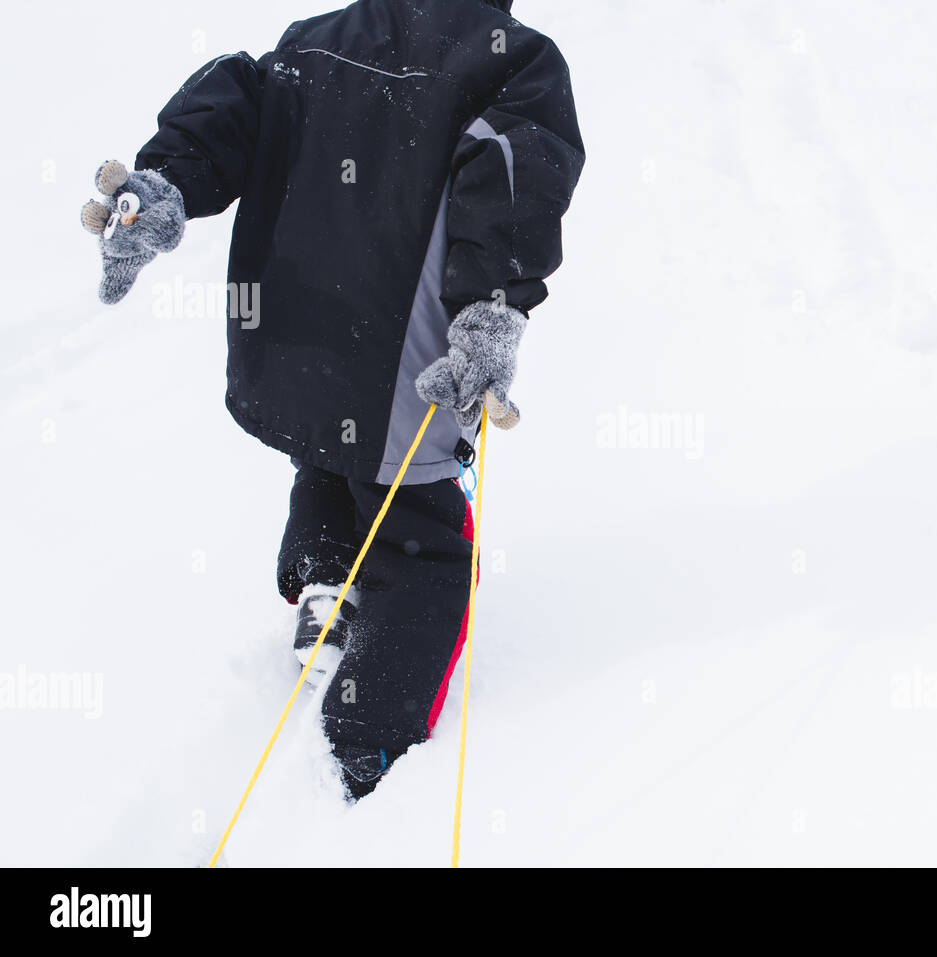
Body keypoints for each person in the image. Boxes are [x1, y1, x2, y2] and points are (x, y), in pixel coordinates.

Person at [78, 0, 584, 799]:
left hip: (293, 344)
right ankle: (363, 743)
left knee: (327, 453)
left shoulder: (312, 41)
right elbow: (514, 176)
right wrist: (490, 304)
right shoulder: (511, 59)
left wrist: (165, 177)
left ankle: (322, 584)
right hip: (404, 361)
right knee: (423, 540)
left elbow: (232, 102)